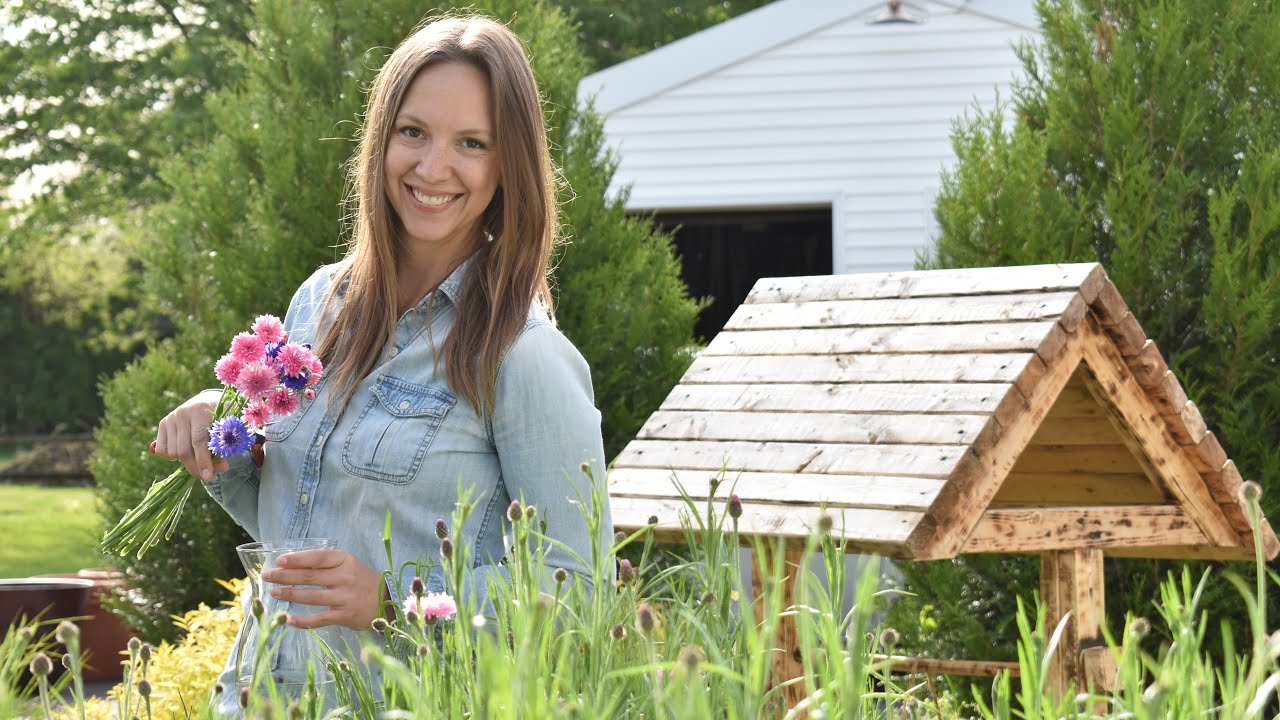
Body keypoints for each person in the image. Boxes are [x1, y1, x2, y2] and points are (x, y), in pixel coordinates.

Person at [151, 14, 612, 715]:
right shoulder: (320, 303)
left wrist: (399, 601)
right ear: (381, 139)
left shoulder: (522, 354)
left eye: (472, 143)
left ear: (507, 164)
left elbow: (579, 588)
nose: (433, 168)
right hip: (261, 697)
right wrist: (218, 442)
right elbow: (298, 521)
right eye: (414, 132)